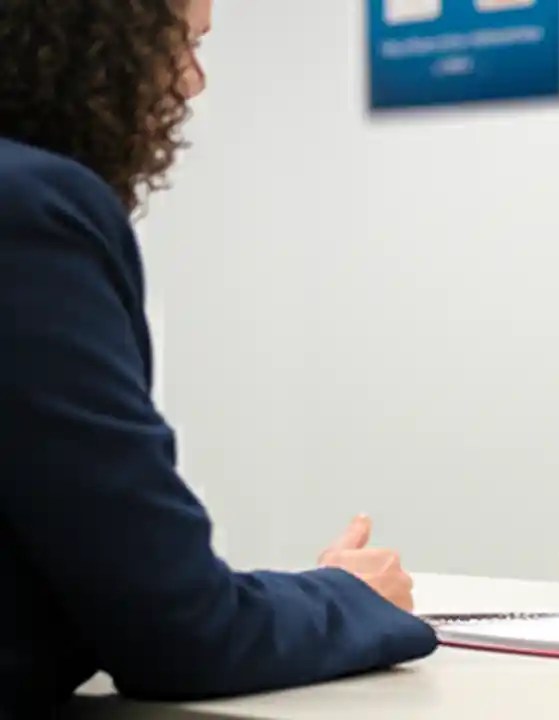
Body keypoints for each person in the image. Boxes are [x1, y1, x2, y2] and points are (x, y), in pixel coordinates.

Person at [0, 1, 436, 713]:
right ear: (98, 45)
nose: (193, 84)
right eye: (182, 46)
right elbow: (178, 631)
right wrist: (348, 597)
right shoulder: (31, 212)